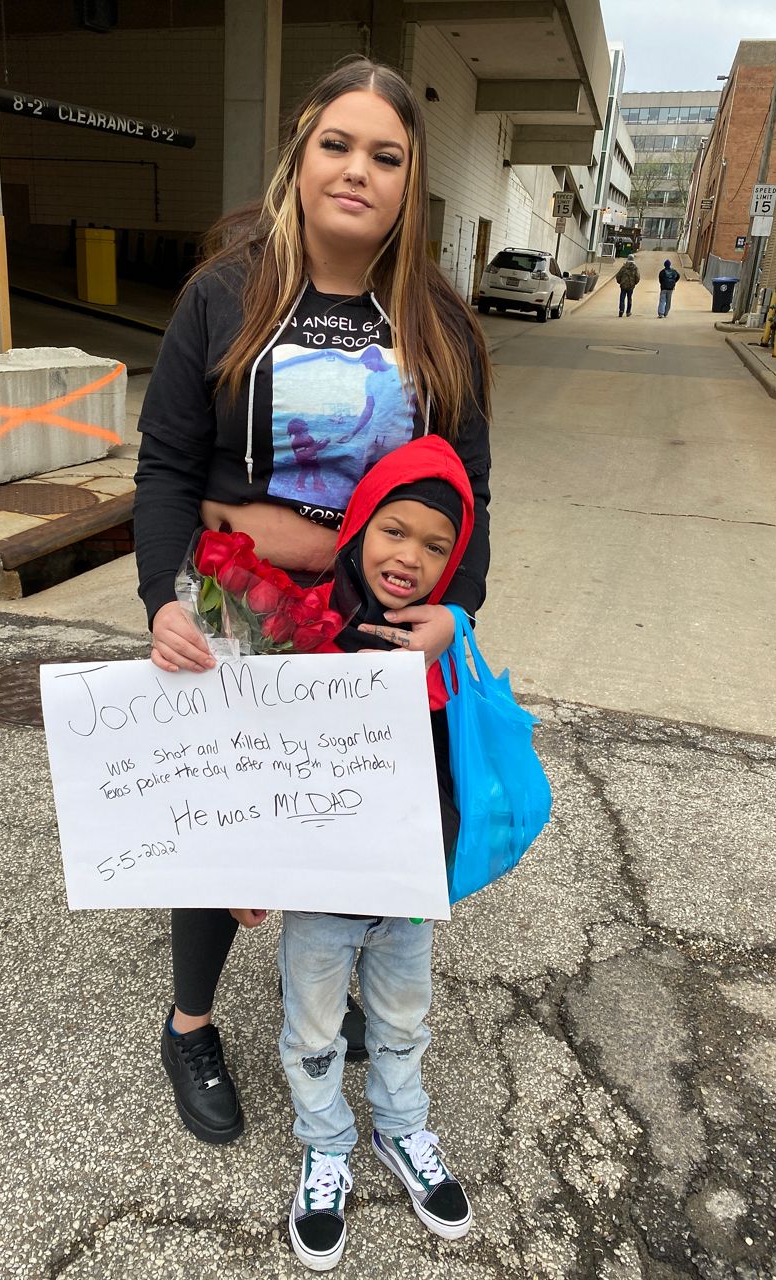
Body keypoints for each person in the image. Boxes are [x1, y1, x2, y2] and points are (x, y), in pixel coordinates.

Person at [132, 58, 492, 1147]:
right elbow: (162, 468)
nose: (358, 170)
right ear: (301, 153)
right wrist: (162, 597)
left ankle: (346, 1007)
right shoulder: (224, 295)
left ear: (409, 180)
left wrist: (456, 610)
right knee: (225, 828)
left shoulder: (440, 322)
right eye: (338, 144)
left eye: (387, 155)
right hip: (240, 615)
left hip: (380, 631)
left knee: (362, 825)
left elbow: (473, 492)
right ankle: (191, 1022)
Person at [233, 434, 476, 1271]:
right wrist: (247, 869)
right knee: (311, 1029)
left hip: (409, 892)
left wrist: (457, 627)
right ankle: (326, 1142)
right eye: (393, 530)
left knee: (403, 1020)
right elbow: (259, 770)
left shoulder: (441, 649)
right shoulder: (302, 639)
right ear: (359, 527)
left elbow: (456, 767)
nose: (411, 557)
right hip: (321, 897)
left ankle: (402, 1129)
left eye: (437, 546)